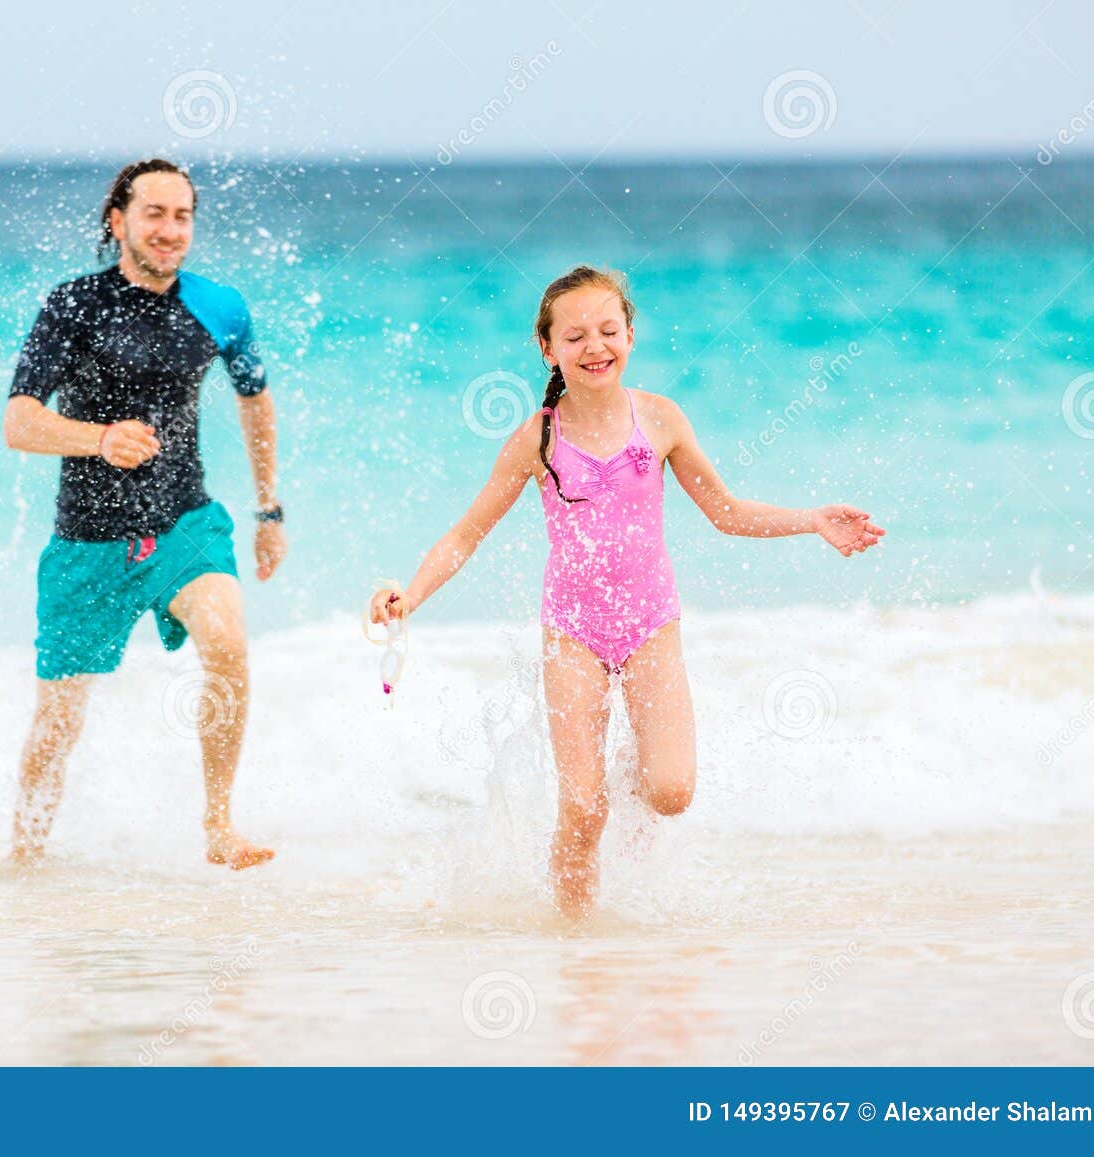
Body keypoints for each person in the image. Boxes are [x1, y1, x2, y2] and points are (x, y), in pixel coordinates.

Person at [368, 265, 885, 919]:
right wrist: (410, 596)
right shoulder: (538, 438)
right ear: (547, 347)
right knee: (581, 808)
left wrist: (811, 520)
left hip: (650, 624)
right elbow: (466, 533)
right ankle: (576, 938)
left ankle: (622, 788)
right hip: (573, 631)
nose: (595, 346)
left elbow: (725, 511)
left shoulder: (661, 419)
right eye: (576, 334)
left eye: (609, 330)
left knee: (671, 791)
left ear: (631, 336)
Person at [4, 158, 285, 871]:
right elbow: (20, 422)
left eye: (182, 216)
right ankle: (26, 858)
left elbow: (255, 398)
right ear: (118, 220)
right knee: (59, 719)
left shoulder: (221, 306)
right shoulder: (72, 306)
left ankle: (218, 824)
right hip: (88, 544)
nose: (169, 230)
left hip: (184, 527)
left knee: (225, 640)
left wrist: (269, 507)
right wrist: (97, 439)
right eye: (154, 214)